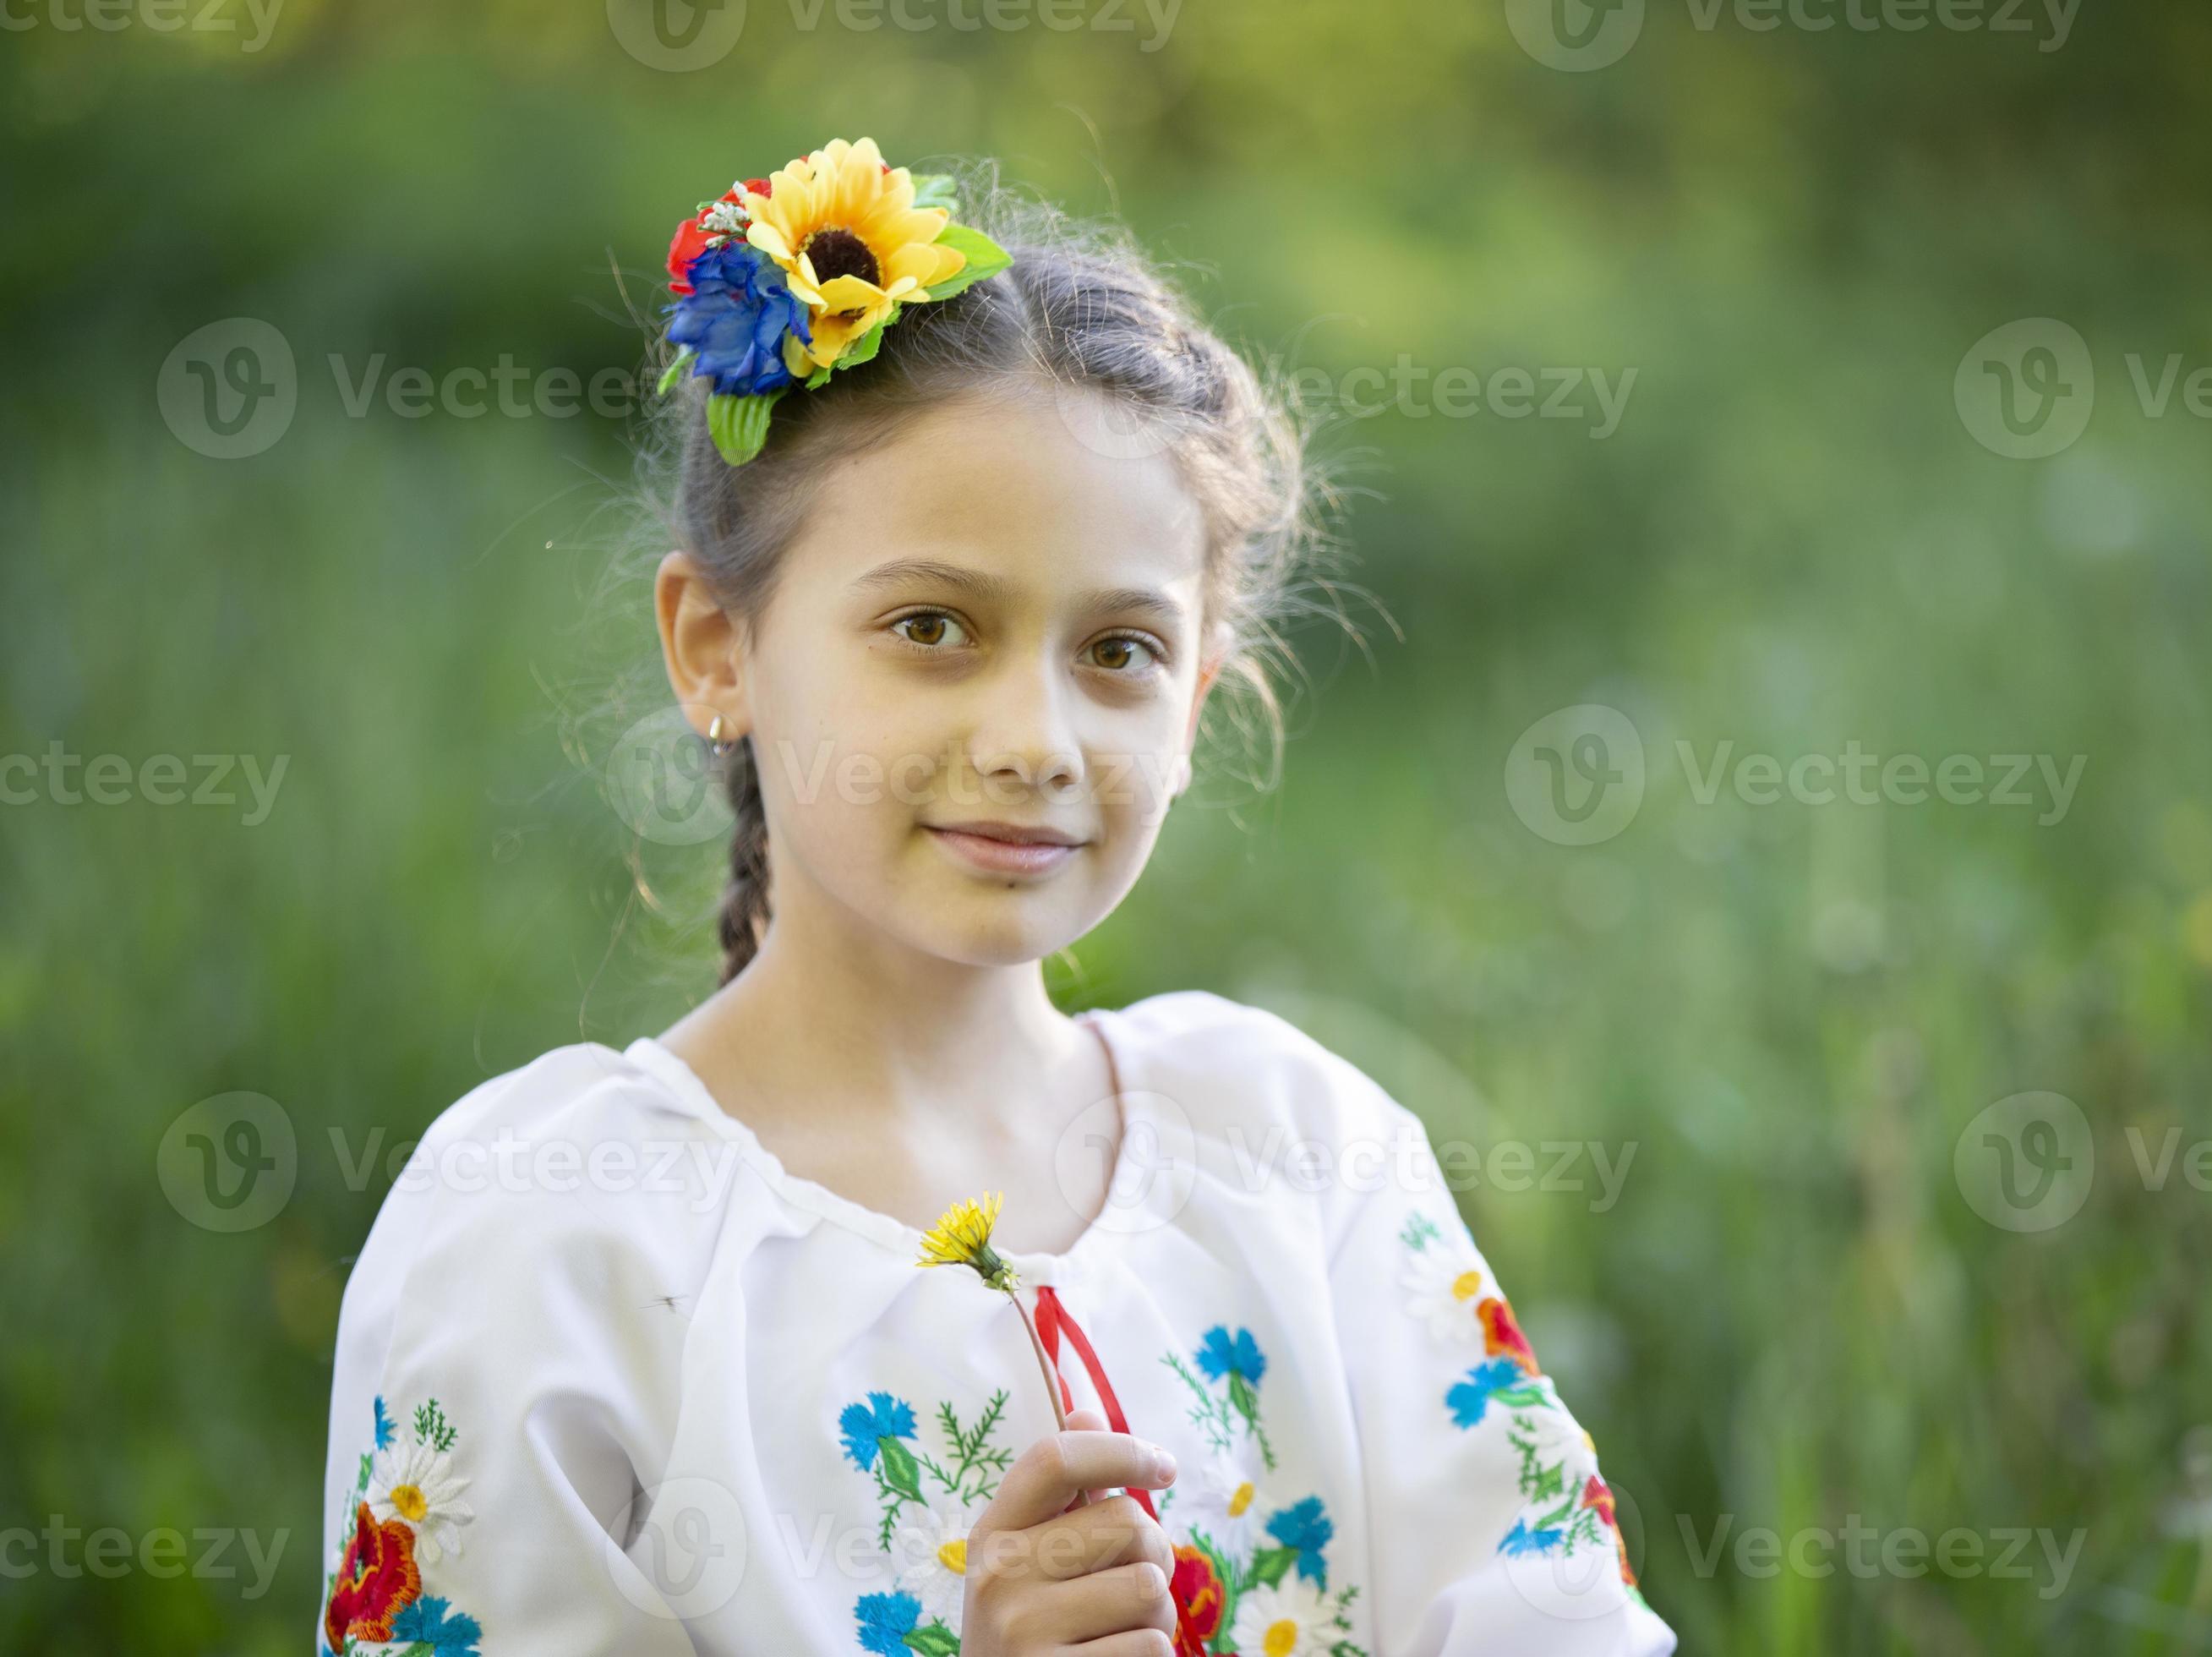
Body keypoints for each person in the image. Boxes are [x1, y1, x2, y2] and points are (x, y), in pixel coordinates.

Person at [316, 137, 1674, 1657]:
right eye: (931, 625)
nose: (1035, 742)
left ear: (1198, 698)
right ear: (716, 646)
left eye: (1118, 651)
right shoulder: (554, 1242)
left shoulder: (1302, 1153)